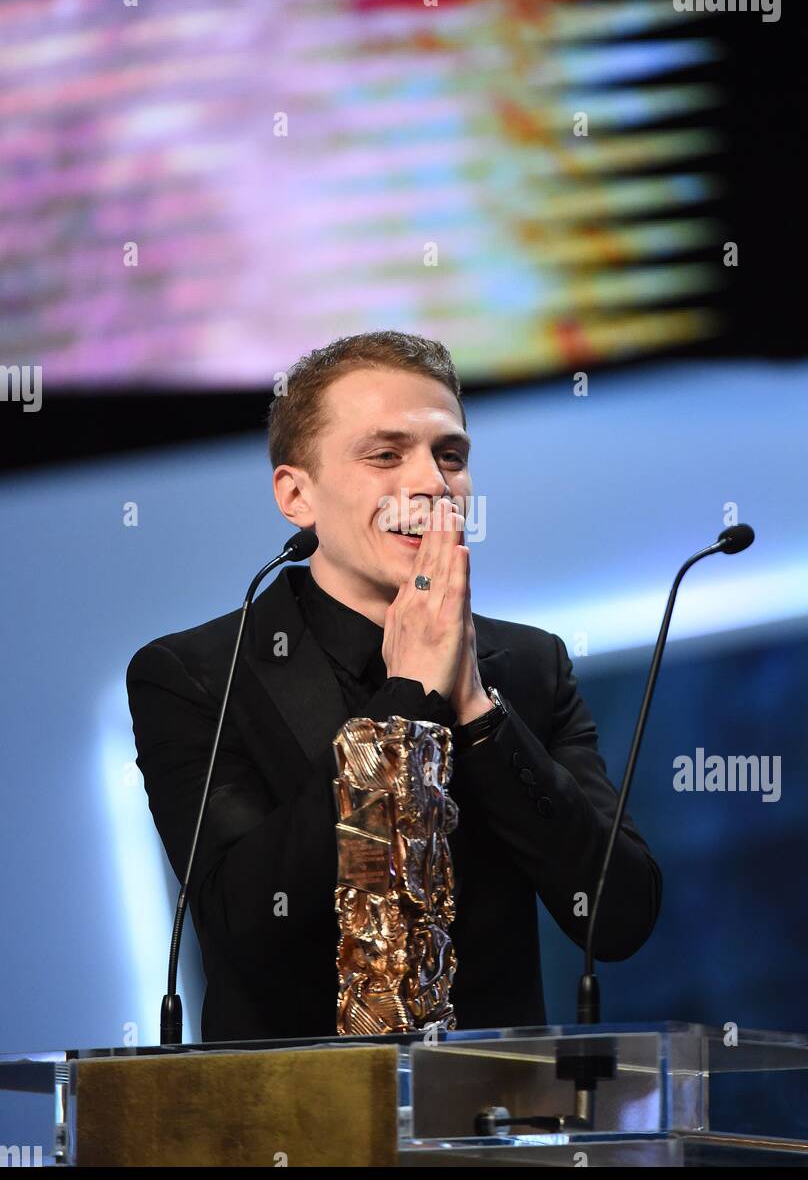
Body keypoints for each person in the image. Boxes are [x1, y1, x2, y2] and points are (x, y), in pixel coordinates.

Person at [127, 331, 661, 1041]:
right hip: (291, 1120)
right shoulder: (197, 675)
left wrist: (475, 710)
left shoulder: (529, 665)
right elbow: (248, 927)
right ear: (296, 494)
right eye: (384, 455)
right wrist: (405, 698)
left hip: (489, 1126)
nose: (433, 484)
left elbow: (617, 916)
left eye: (450, 456)